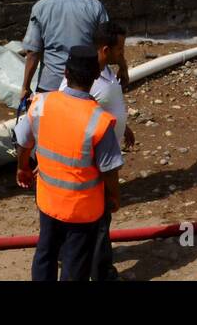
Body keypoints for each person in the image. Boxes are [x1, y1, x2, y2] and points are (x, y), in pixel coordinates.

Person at [16, 44, 123, 281]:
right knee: (75, 263)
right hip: (82, 210)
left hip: (48, 200)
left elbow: (24, 142)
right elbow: (109, 170)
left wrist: (22, 167)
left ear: (65, 73)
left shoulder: (42, 103)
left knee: (46, 252)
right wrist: (114, 196)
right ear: (96, 75)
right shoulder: (100, 120)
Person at [59, 20, 134, 280]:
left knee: (97, 223)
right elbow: (67, 113)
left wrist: (123, 126)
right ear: (104, 49)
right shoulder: (86, 81)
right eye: (120, 49)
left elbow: (106, 106)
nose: (122, 52)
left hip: (101, 155)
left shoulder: (105, 72)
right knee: (100, 222)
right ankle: (102, 273)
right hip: (93, 163)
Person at [19, 0, 110, 107]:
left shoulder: (40, 7)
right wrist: (120, 69)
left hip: (50, 85)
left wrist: (25, 87)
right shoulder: (95, 6)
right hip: (85, 85)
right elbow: (107, 44)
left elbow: (33, 53)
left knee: (48, 127)